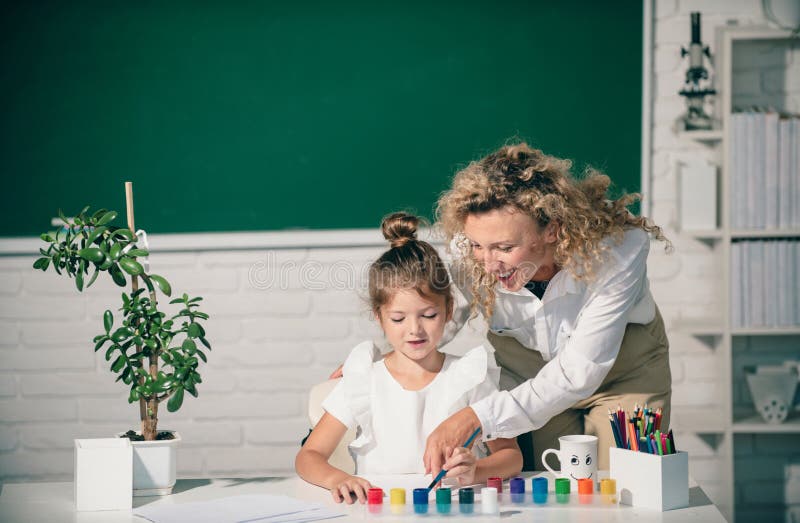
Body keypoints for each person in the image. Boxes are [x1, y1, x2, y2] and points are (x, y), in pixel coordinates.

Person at [421, 141, 673, 475]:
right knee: (553, 488)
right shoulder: (471, 252)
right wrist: (382, 358)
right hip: (530, 379)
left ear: (552, 229)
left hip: (624, 374)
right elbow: (438, 317)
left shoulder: (619, 250)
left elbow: (579, 370)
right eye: (479, 246)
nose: (488, 262)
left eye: (505, 247)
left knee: (626, 488)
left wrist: (479, 416)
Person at [296, 212, 522, 504]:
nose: (414, 330)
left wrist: (477, 469)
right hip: (380, 511)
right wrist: (337, 478)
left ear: (449, 310)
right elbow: (308, 456)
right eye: (399, 318)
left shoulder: (469, 376)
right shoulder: (365, 378)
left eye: (428, 315)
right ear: (380, 318)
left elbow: (511, 457)